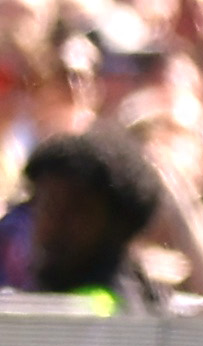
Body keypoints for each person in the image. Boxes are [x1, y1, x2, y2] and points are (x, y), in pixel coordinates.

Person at [17, 126, 167, 309]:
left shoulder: (106, 310)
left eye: (76, 210)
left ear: (119, 224)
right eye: (47, 206)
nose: (53, 225)